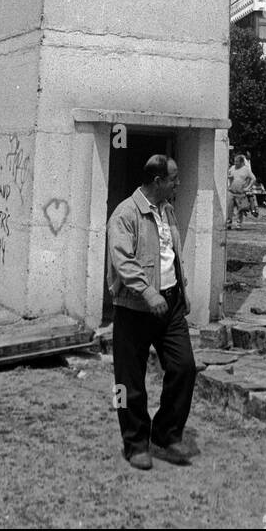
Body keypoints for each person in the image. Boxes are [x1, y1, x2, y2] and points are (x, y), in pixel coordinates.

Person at [107, 154, 195, 471]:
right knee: (129, 381)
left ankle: (166, 433)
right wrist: (147, 291)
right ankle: (135, 444)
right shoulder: (125, 214)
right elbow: (122, 259)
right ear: (157, 181)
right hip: (134, 307)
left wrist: (180, 291)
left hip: (169, 306)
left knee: (184, 367)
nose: (178, 183)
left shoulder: (167, 209)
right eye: (174, 178)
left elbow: (172, 254)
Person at [225, 152, 257, 230]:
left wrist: (248, 187)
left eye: (237, 162)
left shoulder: (246, 170)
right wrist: (229, 177)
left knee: (240, 209)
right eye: (234, 161)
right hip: (231, 192)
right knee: (229, 208)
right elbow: (228, 176)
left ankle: (238, 224)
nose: (235, 163)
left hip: (240, 193)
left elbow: (253, 179)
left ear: (242, 162)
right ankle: (228, 224)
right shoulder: (232, 168)